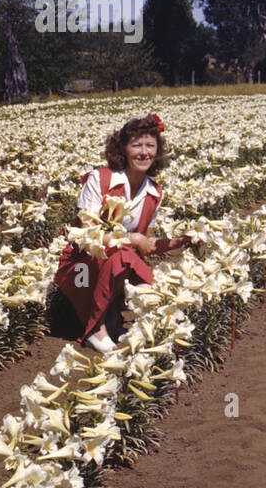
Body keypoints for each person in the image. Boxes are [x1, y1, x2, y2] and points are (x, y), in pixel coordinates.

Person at [54, 112, 192, 353]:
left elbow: (145, 244)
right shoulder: (101, 178)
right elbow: (84, 234)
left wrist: (177, 241)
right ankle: (95, 328)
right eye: (136, 145)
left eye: (150, 146)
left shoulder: (155, 192)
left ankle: (113, 317)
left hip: (114, 265)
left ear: (157, 151)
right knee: (122, 255)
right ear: (123, 149)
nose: (144, 152)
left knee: (127, 256)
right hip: (81, 268)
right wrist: (131, 239)